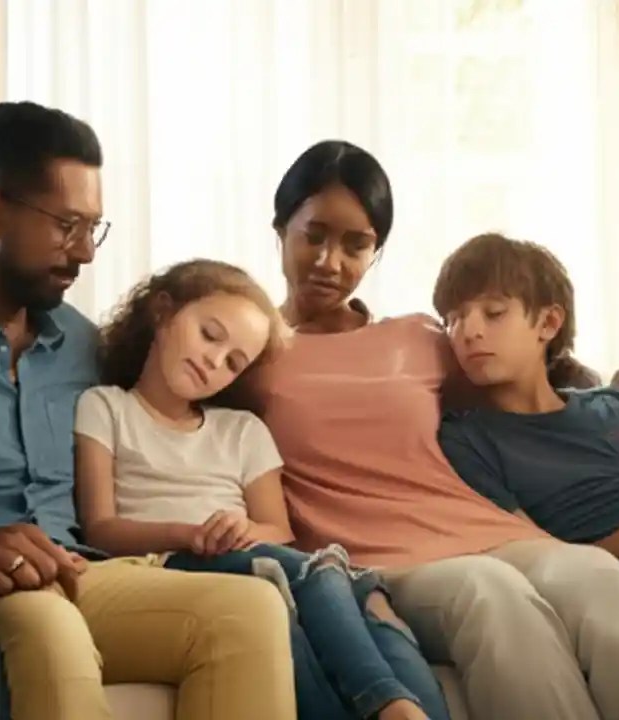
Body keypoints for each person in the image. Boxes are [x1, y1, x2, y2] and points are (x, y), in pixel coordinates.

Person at [0, 101, 297, 720]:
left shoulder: (85, 345)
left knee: (248, 610)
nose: (85, 252)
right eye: (67, 226)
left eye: (94, 228)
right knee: (52, 631)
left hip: (83, 571)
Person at [236, 140, 619, 720]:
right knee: (492, 593)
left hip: (495, 532)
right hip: (382, 560)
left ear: (375, 252)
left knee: (603, 582)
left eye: (356, 244)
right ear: (280, 228)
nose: (331, 262)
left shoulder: (419, 338)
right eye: (314, 235)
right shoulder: (247, 355)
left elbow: (533, 394)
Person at [73, 259, 450, 720]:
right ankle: (387, 704)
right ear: (162, 311)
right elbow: (101, 528)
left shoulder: (243, 429)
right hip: (169, 563)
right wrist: (189, 534)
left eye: (234, 362)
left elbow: (278, 530)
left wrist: (241, 528)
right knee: (316, 574)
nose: (214, 361)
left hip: (250, 557)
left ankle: (408, 706)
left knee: (369, 603)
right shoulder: (105, 407)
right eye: (209, 335)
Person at [433, 232, 619, 714]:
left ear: (548, 322)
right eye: (452, 319)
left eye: (493, 313)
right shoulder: (466, 437)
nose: (467, 332)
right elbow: (526, 554)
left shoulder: (613, 405)